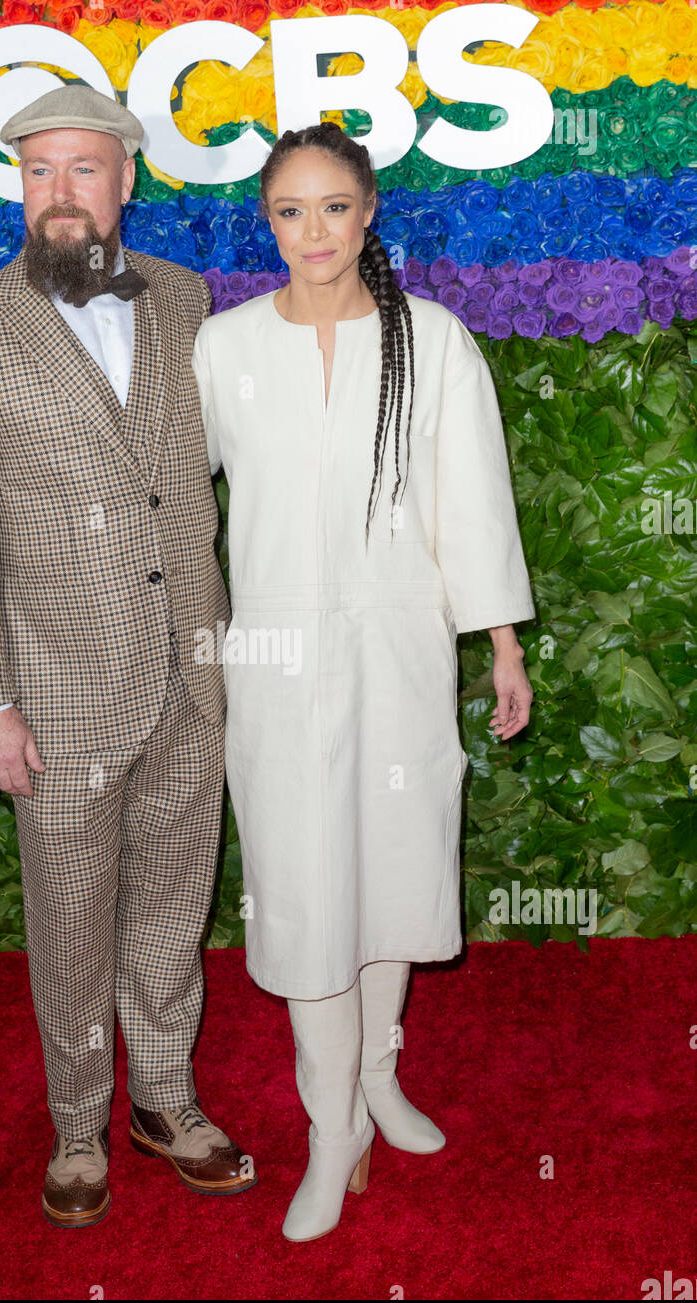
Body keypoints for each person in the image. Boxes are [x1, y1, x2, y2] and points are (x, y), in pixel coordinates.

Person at [0, 84, 257, 1229]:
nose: (60, 193)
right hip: (53, 695)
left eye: (84, 169)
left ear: (128, 181)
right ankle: (77, 1124)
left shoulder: (183, 298)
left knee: (170, 900)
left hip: (189, 674)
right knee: (70, 923)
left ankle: (164, 1096)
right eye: (39, 170)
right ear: (19, 184)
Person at [191, 121, 535, 1242]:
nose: (313, 233)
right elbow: (171, 500)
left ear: (369, 210)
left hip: (399, 650)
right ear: (267, 224)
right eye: (289, 212)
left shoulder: (431, 341)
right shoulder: (224, 348)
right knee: (301, 892)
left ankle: (379, 1078)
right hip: (276, 663)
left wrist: (500, 643)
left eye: (332, 207)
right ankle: (328, 1127)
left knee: (390, 870)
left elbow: (471, 499)